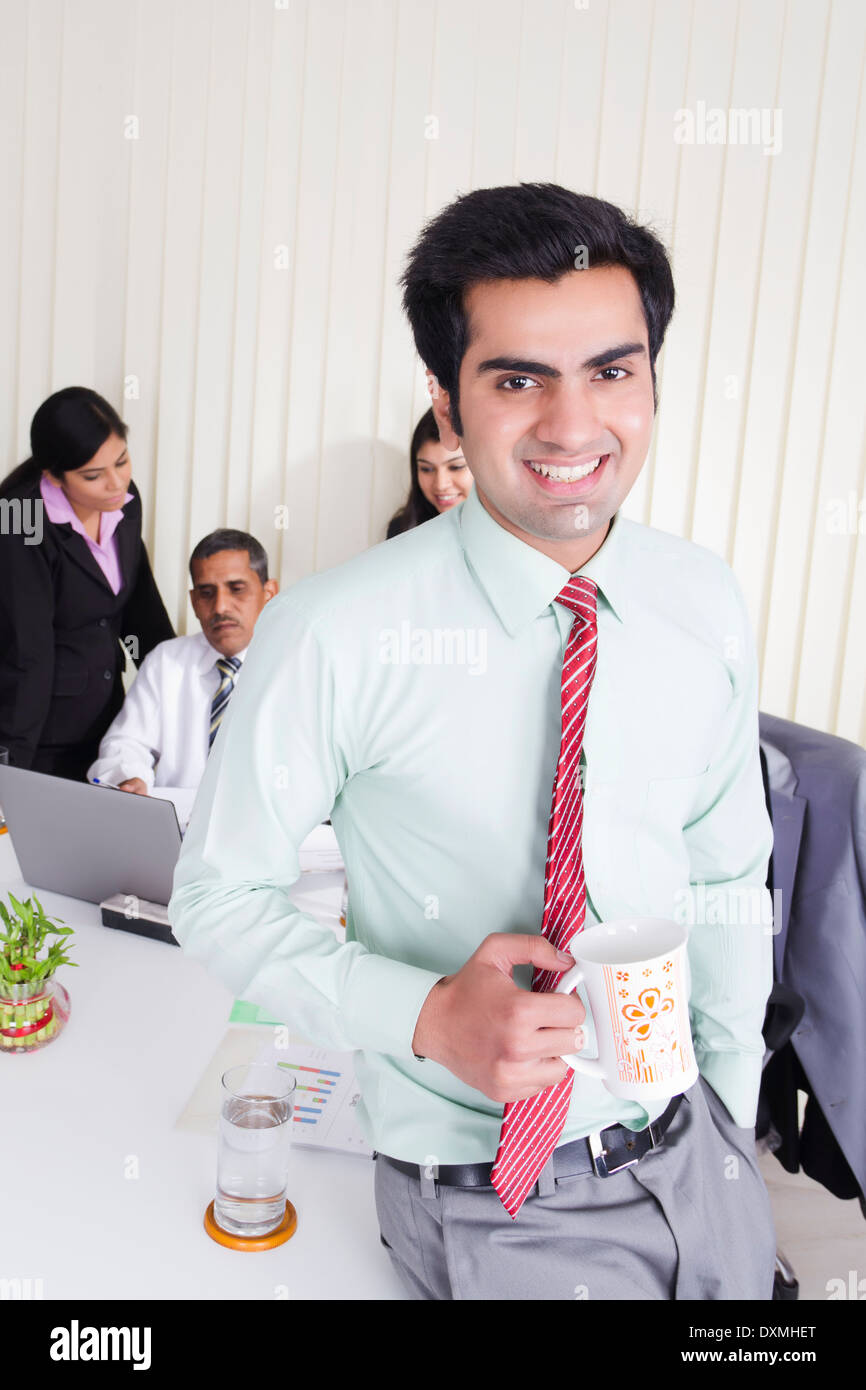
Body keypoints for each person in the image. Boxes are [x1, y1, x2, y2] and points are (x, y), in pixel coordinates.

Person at [169, 183, 777, 1301]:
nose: (571, 424)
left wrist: (728, 1106)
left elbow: (726, 864)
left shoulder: (702, 600)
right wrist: (428, 1017)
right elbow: (217, 898)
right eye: (515, 379)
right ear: (446, 408)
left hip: (702, 1156)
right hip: (499, 1196)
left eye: (610, 369)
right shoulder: (336, 631)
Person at [0, 387, 174, 781]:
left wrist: (171, 698)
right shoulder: (17, 516)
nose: (116, 483)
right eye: (94, 476)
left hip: (108, 725)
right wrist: (10, 770)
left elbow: (139, 608)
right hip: (39, 734)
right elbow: (26, 652)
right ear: (53, 475)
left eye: (123, 461)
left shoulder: (125, 502)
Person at [86, 529, 278, 796]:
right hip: (178, 826)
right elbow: (126, 743)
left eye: (236, 589)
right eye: (207, 593)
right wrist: (129, 778)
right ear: (194, 602)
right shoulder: (167, 661)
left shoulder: (300, 666)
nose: (221, 606)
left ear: (269, 593)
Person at [385, 408, 473, 537]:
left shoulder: (508, 532)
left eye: (456, 467)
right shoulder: (403, 529)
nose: (440, 485)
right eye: (427, 469)